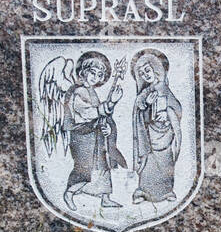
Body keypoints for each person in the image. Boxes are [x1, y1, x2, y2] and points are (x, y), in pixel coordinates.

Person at [64, 51, 125, 210]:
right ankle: (69, 193)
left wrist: (105, 125)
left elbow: (100, 114)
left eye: (99, 75)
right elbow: (87, 113)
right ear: (83, 71)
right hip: (81, 136)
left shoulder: (91, 91)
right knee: (85, 167)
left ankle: (105, 198)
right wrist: (109, 103)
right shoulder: (77, 90)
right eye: (92, 72)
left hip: (94, 134)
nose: (95, 77)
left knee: (102, 165)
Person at [130, 48, 182, 204]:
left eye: (147, 70)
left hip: (164, 135)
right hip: (148, 136)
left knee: (165, 160)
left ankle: (166, 191)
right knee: (148, 164)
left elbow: (177, 108)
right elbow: (138, 109)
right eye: (142, 74)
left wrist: (168, 114)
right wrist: (146, 104)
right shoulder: (145, 92)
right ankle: (143, 191)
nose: (146, 75)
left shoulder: (165, 89)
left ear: (156, 69)